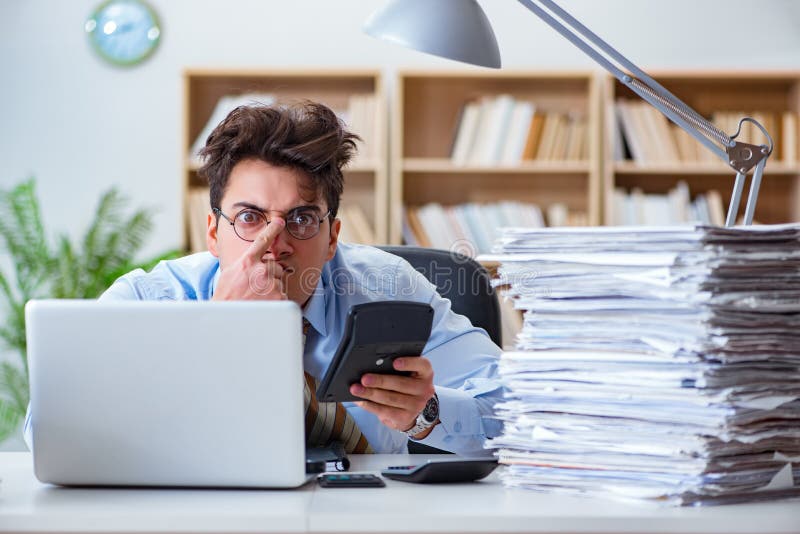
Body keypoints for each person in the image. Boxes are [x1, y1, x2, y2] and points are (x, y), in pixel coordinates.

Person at [26, 101, 503, 455]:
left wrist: (427, 414)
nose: (275, 243)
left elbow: (517, 412)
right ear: (213, 233)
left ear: (333, 238)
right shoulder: (150, 298)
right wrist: (211, 332)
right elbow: (50, 428)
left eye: (301, 219)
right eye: (250, 217)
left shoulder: (389, 289)